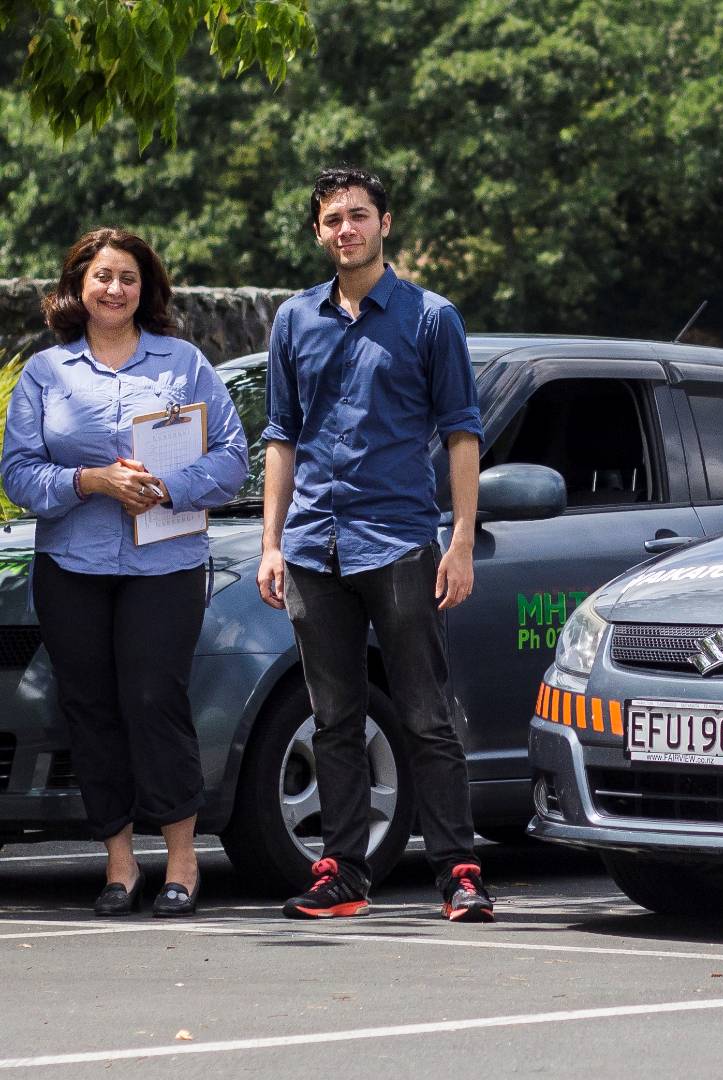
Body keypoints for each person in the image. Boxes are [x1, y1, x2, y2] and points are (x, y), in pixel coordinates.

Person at [257, 165, 494, 922]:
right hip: (312, 547)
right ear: (319, 232)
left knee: (425, 715)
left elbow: (462, 432)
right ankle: (343, 872)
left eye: (358, 216)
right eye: (332, 220)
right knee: (333, 719)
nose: (346, 230)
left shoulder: (431, 318)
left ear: (384, 224)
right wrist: (270, 544)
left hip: (397, 541)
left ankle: (458, 869)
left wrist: (459, 541)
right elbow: (281, 439)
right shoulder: (295, 320)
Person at [1, 228, 248, 917]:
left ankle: (181, 860)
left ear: (148, 289)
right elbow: (17, 472)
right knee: (90, 709)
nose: (115, 289)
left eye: (129, 278)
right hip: (71, 566)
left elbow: (232, 458)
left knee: (153, 703)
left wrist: (168, 487)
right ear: (79, 285)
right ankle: (118, 864)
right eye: (103, 276)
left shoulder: (184, 364)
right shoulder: (48, 374)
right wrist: (91, 481)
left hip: (163, 565)